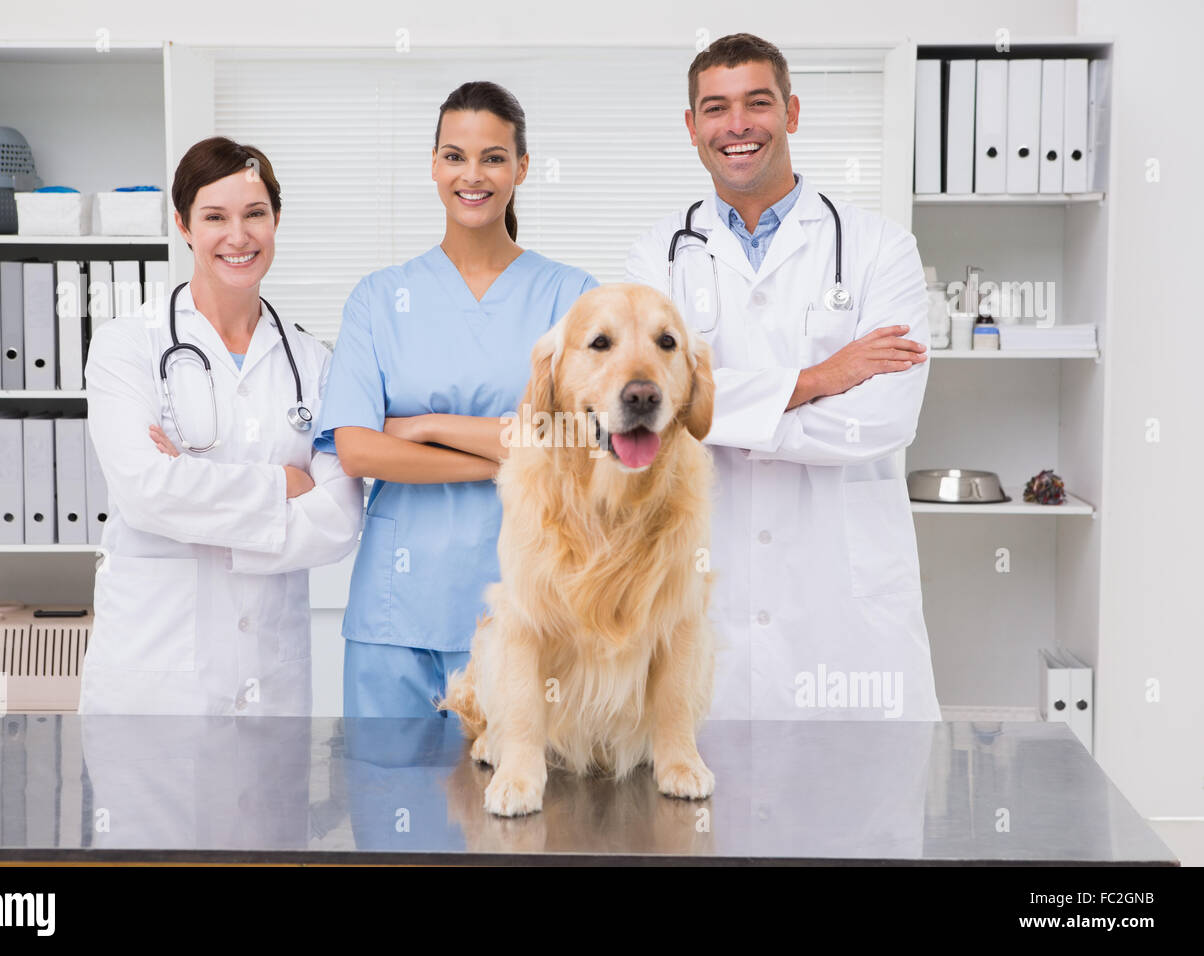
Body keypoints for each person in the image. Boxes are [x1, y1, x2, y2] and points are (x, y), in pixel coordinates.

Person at [624, 33, 940, 721]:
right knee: (700, 816)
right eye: (716, 108)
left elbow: (884, 419)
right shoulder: (657, 257)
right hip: (704, 583)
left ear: (791, 112)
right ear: (692, 127)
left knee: (857, 809)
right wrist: (821, 377)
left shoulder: (879, 249)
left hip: (842, 604)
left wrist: (715, 415)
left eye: (757, 103)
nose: (736, 126)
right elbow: (645, 405)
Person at [316, 81, 597, 718]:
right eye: (454, 156)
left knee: (524, 809)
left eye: (493, 157)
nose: (473, 175)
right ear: (434, 166)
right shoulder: (379, 298)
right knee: (389, 802)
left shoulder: (573, 297)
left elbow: (578, 445)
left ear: (522, 167)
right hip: (398, 615)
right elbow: (358, 450)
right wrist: (508, 452)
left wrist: (422, 426)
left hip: (532, 608)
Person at [81, 136, 364, 716]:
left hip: (270, 677)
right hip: (153, 681)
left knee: (270, 807)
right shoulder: (127, 344)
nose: (238, 236)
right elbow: (145, 493)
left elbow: (338, 520)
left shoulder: (316, 362)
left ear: (276, 221)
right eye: (215, 216)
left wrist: (190, 480)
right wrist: (285, 485)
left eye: (254, 214)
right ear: (184, 224)